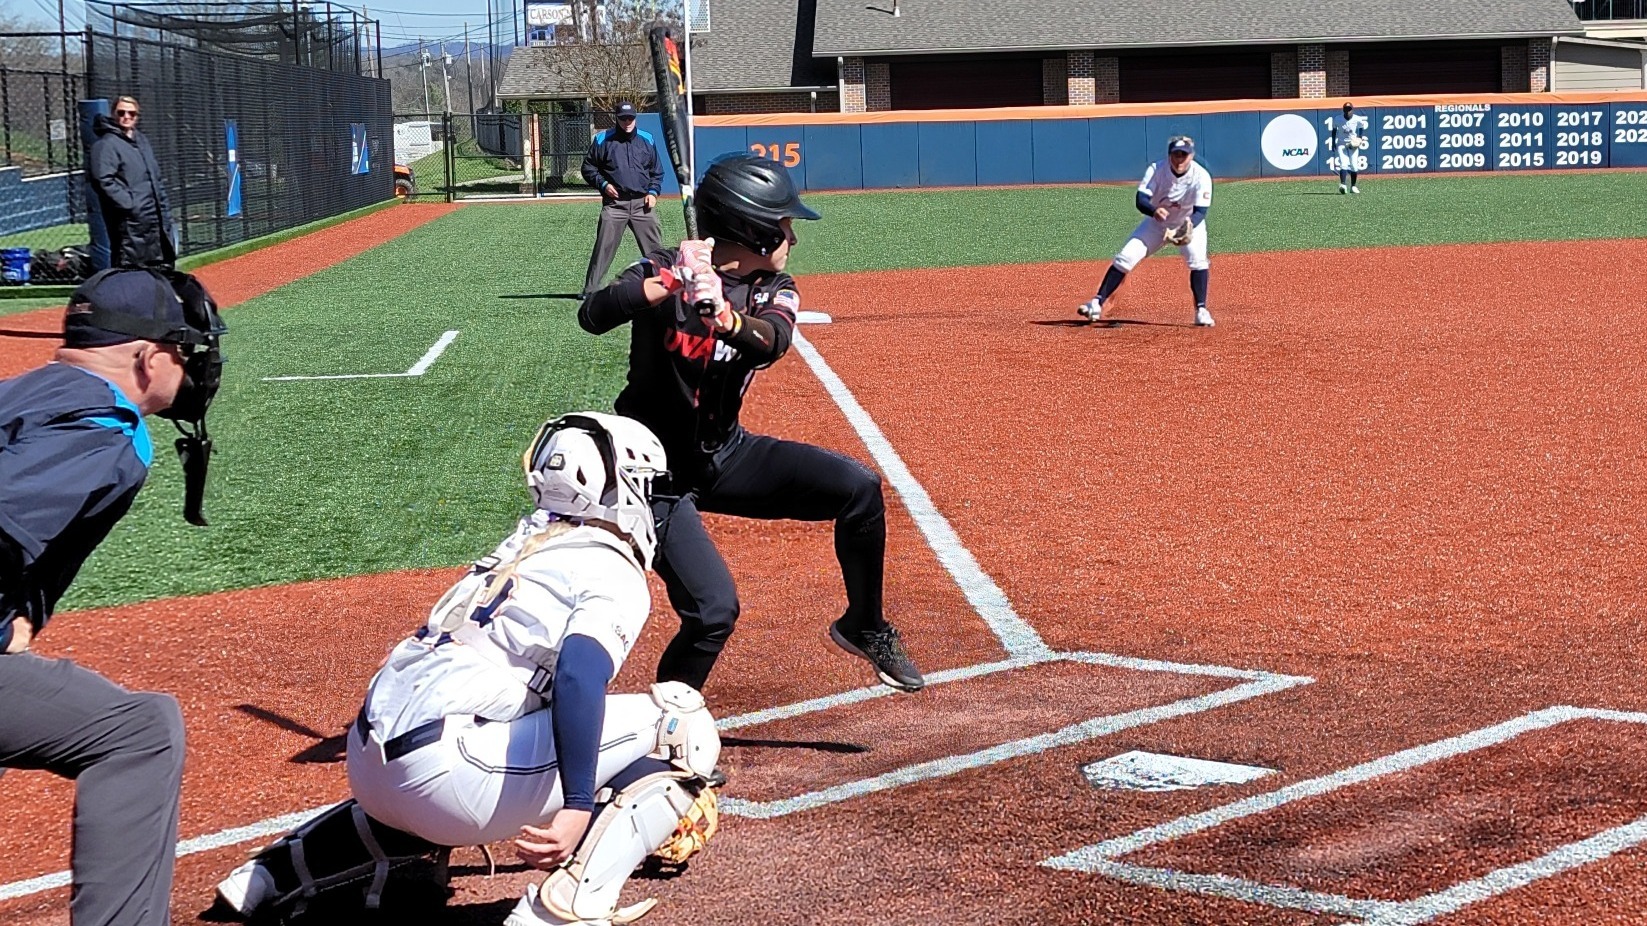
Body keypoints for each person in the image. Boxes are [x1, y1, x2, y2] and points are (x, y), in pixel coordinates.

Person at [214, 412, 723, 926]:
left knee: (429, 768)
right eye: (646, 484)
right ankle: (564, 911)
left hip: (370, 765)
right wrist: (576, 805)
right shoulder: (609, 565)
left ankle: (268, 873)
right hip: (448, 779)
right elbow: (576, 676)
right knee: (680, 726)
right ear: (615, 487)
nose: (653, 499)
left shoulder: (526, 540)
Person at [578, 152, 926, 695]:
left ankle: (864, 623)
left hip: (724, 455)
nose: (794, 236)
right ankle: (670, 729)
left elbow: (772, 342)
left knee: (859, 487)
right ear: (754, 228)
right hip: (652, 478)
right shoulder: (666, 267)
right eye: (785, 223)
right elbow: (593, 315)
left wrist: (725, 315)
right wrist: (669, 280)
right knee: (714, 610)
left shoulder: (773, 287)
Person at [0, 267, 227, 926]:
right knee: (141, 734)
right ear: (147, 357)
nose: (190, 369)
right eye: (183, 352)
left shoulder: (20, 393)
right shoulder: (102, 422)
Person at [1078, 135, 1215, 328]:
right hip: (1156, 224)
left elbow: (1201, 211)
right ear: (1169, 155)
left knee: (1198, 261)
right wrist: (1153, 210)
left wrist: (1187, 227)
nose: (1179, 159)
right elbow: (1141, 199)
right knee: (1125, 258)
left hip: (1189, 224)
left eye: (1183, 155)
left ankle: (1201, 310)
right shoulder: (1157, 170)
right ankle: (1096, 303)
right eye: (1176, 154)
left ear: (1191, 156)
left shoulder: (1201, 176)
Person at [579, 102, 664, 299]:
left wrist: (653, 192)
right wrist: (603, 185)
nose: (627, 122)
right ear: (616, 118)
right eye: (623, 118)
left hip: (643, 204)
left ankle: (664, 286)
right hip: (614, 205)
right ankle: (590, 290)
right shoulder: (602, 140)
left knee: (656, 250)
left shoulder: (647, 139)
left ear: (635, 118)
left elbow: (657, 171)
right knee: (603, 248)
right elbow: (588, 168)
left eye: (631, 118)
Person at [89, 95, 177, 269]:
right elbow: (103, 180)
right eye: (121, 112)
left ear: (137, 116)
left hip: (154, 222)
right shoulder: (107, 144)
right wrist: (130, 204)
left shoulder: (142, 141)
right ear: (113, 114)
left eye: (132, 113)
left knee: (161, 273)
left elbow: (155, 179)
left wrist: (164, 210)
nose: (126, 117)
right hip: (130, 226)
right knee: (132, 274)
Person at [1327, 101, 1370, 194]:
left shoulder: (1357, 119)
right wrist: (1333, 142)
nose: (1348, 111)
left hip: (1352, 144)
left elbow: (1361, 127)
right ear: (1343, 110)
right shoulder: (1338, 119)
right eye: (1346, 109)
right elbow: (1334, 130)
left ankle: (1353, 186)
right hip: (1341, 144)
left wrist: (1360, 138)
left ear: (1352, 110)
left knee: (1354, 166)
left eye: (1349, 109)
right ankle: (1343, 185)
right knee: (1344, 163)